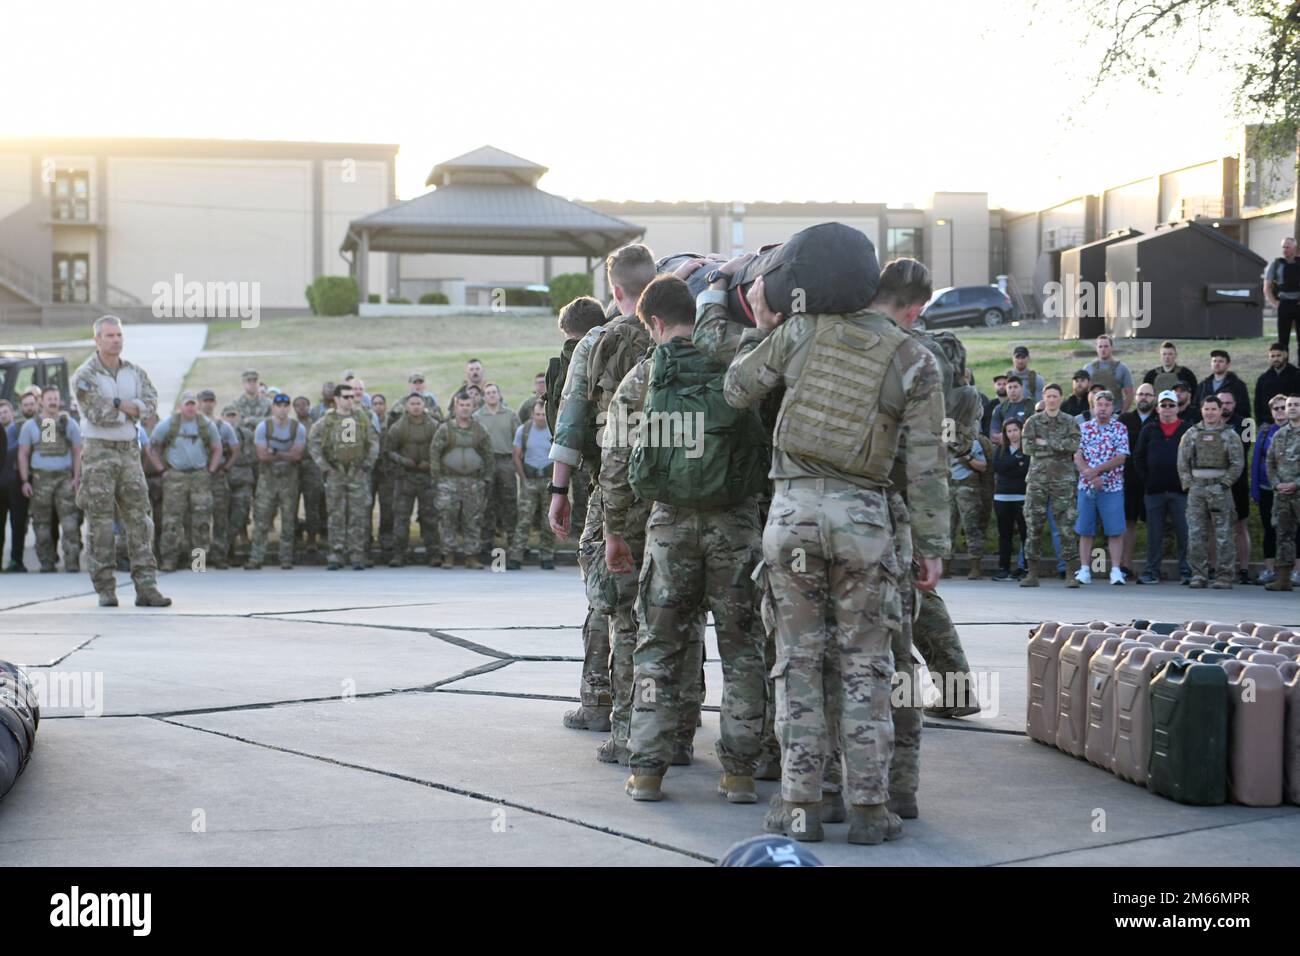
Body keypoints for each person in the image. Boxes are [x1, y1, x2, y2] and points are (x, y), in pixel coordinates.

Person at [723, 261, 948, 846]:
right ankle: (871, 810)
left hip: (793, 516)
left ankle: (802, 806)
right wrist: (932, 545)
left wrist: (767, 321)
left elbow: (736, 388)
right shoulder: (917, 359)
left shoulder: (804, 330)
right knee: (867, 665)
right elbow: (927, 464)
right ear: (914, 308)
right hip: (865, 522)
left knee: (798, 661)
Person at [603, 275, 767, 805]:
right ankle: (741, 773)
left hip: (669, 528)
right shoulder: (736, 366)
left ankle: (647, 770)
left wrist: (614, 534)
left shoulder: (642, 378)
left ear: (653, 322)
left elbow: (615, 466)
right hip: (737, 528)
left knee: (657, 648)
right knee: (743, 648)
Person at [550, 245, 662, 765]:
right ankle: (676, 727)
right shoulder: (691, 332)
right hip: (677, 492)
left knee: (610, 601)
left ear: (614, 291)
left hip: (612, 489)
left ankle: (606, 710)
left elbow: (571, 424)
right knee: (669, 608)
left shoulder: (596, 340)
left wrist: (558, 492)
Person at [546, 294, 617, 734]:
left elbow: (566, 425)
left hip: (601, 484)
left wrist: (559, 489)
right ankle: (681, 707)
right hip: (654, 486)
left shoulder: (578, 358)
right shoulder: (643, 343)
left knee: (602, 595)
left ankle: (596, 700)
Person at [72, 316, 170, 607]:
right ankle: (105, 588)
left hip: (129, 451)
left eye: (119, 334)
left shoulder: (134, 373)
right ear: (97, 340)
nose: (116, 340)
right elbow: (96, 414)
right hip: (99, 452)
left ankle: (147, 587)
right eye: (109, 335)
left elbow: (151, 405)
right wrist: (131, 409)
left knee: (140, 519)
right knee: (100, 523)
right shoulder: (85, 375)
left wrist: (119, 404)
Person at [308, 383, 379, 571]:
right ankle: (336, 553)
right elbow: (313, 443)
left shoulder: (362, 418)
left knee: (358, 514)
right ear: (337, 399)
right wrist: (325, 467)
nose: (350, 400)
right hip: (336, 472)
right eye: (346, 397)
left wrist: (366, 465)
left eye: (352, 396)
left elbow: (373, 442)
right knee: (336, 514)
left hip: (357, 472)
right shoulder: (327, 421)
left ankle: (357, 554)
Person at [149, 391, 222, 572]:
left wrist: (211, 470)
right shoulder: (168, 424)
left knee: (201, 521)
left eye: (193, 404)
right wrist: (162, 470)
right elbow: (152, 447)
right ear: (180, 406)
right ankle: (169, 560)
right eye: (187, 404)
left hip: (200, 477)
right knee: (172, 521)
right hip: (175, 477)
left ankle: (198, 562)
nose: (190, 408)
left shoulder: (206, 425)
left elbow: (217, 448)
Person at [1179, 395, 1245, 588]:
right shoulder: (1191, 434)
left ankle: (1225, 576)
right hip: (1197, 489)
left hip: (1220, 489)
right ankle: (1198, 575)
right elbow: (1182, 462)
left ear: (1220, 410)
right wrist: (1189, 485)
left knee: (1225, 534)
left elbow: (1237, 462)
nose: (1209, 413)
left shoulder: (1230, 435)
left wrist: (1225, 483)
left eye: (1213, 409)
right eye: (1206, 409)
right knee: (1196, 533)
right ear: (1201, 410)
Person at [1020, 384, 1081, 587]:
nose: (1052, 399)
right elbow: (1028, 447)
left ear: (1061, 398)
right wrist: (1058, 445)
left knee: (1067, 527)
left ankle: (1071, 573)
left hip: (1063, 482)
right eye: (1048, 396)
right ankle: (1032, 574)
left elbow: (1074, 445)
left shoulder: (1070, 421)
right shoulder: (1033, 421)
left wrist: (1047, 443)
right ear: (1043, 398)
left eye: (1055, 396)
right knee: (1033, 526)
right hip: (1037, 481)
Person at [16, 386, 82, 572]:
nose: (53, 402)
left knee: (70, 523)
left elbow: (78, 451)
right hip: (40, 480)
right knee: (41, 523)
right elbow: (23, 454)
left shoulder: (68, 424)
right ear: (41, 402)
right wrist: (25, 480)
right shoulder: (31, 426)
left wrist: (77, 478)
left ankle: (72, 562)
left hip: (64, 479)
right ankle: (46, 561)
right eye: (49, 399)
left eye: (55, 398)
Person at [1133, 390, 1192, 585]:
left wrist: (1188, 481)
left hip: (1181, 491)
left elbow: (1195, 457)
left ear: (1178, 407)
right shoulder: (1149, 429)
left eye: (1171, 405)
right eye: (1163, 405)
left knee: (1184, 533)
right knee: (1154, 534)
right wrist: (1147, 480)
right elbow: (1138, 457)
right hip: (1154, 492)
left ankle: (1187, 571)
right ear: (1157, 408)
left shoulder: (1188, 430)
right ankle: (1152, 572)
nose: (1167, 409)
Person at [431, 392, 493, 569]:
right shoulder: (445, 429)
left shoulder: (480, 430)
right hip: (448, 482)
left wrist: (486, 478)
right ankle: (448, 555)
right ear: (455, 407)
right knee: (447, 518)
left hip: (474, 483)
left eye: (468, 405)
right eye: (461, 405)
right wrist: (437, 479)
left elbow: (488, 455)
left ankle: (472, 556)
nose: (465, 408)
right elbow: (434, 453)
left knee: (473, 520)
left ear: (472, 407)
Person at [1072, 390, 1129, 586]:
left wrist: (1095, 471)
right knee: (1085, 530)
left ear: (1112, 407)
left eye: (1106, 405)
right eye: (1099, 404)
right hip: (1086, 487)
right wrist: (1089, 473)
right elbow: (1077, 456)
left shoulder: (1120, 428)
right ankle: (1085, 570)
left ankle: (1115, 570)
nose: (1103, 408)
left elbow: (1121, 457)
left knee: (1115, 530)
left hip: (1112, 487)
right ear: (1093, 407)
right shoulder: (1084, 428)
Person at [246, 393, 306, 570]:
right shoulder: (263, 427)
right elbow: (262, 455)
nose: (282, 409)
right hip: (267, 480)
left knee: (288, 520)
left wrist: (276, 452)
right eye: (278, 405)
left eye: (285, 405)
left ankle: (286, 558)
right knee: (262, 519)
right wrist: (283, 454)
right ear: (273, 408)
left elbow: (297, 455)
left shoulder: (297, 428)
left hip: (289, 480)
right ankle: (256, 557)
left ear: (289, 408)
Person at [386, 392, 440, 567]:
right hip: (405, 478)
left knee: (430, 517)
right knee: (401, 517)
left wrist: (430, 464)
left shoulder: (434, 426)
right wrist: (404, 461)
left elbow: (441, 450)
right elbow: (389, 451)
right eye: (412, 403)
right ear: (406, 406)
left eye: (419, 403)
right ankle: (399, 554)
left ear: (424, 405)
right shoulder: (398, 427)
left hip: (427, 477)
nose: (416, 406)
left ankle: (434, 553)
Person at [474, 383, 520, 562]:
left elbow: (518, 440)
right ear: (484, 397)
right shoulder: (477, 417)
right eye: (488, 393)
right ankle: (486, 541)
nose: (491, 395)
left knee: (509, 501)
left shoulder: (510, 415)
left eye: (494, 392)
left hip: (506, 461)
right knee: (487, 502)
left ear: (499, 395)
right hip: (486, 462)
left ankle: (513, 539)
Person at [508, 399, 555, 570]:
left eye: (543, 414)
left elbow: (560, 455)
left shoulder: (553, 429)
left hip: (549, 481)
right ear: (532, 414)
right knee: (524, 520)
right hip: (530, 481)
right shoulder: (524, 430)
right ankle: (516, 556)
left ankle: (547, 555)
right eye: (537, 414)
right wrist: (523, 479)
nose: (541, 418)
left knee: (548, 520)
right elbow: (516, 455)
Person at [1252, 394, 1294, 585]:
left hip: (1295, 490)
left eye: (1283, 407)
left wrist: (1294, 484)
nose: (1280, 411)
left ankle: (1295, 572)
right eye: (1276, 408)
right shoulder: (1267, 433)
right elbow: (1261, 462)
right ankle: (1275, 573)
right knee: (1274, 531)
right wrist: (1268, 486)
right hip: (1272, 489)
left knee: (1295, 532)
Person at [197, 389, 240, 569]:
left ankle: (220, 557)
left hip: (217, 478)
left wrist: (226, 467)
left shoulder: (224, 427)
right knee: (198, 521)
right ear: (199, 403)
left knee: (220, 519)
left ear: (215, 404)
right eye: (204, 400)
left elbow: (235, 449)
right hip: (197, 478)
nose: (208, 403)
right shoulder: (191, 425)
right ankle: (198, 561)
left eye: (211, 401)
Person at [1117, 383, 1156, 579]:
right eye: (1141, 394)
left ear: (1154, 398)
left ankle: (1152, 567)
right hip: (1129, 481)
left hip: (1154, 481)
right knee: (1128, 523)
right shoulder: (1124, 419)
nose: (1144, 398)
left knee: (1154, 526)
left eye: (1148, 395)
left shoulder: (1160, 419)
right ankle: (1125, 566)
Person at [1264, 394, 1300, 590]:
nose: (1292, 408)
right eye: (1289, 405)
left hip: (1298, 491)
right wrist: (1276, 484)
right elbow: (1269, 463)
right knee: (1283, 536)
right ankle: (1284, 579)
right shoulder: (1279, 434)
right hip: (1283, 495)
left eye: (1296, 405)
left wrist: (1296, 483)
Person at [948, 416, 987, 579]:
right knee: (946, 529)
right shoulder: (944, 444)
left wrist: (967, 457)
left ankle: (975, 566)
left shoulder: (973, 444)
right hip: (949, 487)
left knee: (971, 528)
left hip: (967, 488)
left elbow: (983, 466)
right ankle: (944, 565)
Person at [991, 418, 1029, 581]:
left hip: (1021, 496)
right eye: (1009, 431)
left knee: (1025, 533)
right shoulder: (1000, 450)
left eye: (1015, 430)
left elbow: (1025, 470)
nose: (1013, 434)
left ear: (1021, 431)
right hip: (1002, 496)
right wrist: (1015, 463)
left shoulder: (1027, 449)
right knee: (1004, 534)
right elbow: (998, 467)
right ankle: (1003, 567)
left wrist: (1010, 466)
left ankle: (1025, 568)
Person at [222, 404, 255, 562]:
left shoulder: (247, 434)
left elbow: (252, 459)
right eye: (228, 415)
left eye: (234, 415)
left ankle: (227, 547)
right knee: (221, 518)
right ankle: (222, 554)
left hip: (242, 479)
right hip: (222, 481)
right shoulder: (217, 432)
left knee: (240, 515)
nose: (231, 419)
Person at [1264, 237, 1299, 353]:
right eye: (1283, 247)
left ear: (1294, 248)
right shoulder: (1276, 264)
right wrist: (1275, 304)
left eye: (1288, 247)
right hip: (1283, 304)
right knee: (1282, 340)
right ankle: (1284, 367)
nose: (1285, 249)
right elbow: (1267, 287)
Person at [1192, 349, 1249, 421]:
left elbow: (1244, 410)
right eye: (1214, 361)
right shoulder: (1203, 385)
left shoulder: (1238, 385)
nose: (1217, 364)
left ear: (1228, 364)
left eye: (1221, 361)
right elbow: (1195, 407)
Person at [1084, 335, 1135, 412]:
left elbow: (1129, 394)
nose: (1103, 349)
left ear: (1112, 348)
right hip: (1094, 414)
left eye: (1106, 346)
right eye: (1100, 346)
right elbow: (1082, 393)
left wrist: (1122, 413)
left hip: (1115, 412)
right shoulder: (1088, 368)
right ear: (1096, 349)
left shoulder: (1122, 368)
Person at [1254, 342, 1300, 426]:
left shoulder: (1297, 375)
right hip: (1268, 423)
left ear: (1285, 355)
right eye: (1272, 356)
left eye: (1278, 356)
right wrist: (1260, 422)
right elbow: (1258, 404)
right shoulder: (1263, 379)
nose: (1275, 359)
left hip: (1293, 422)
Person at [989, 375, 1033, 444]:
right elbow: (993, 433)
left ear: (1022, 388)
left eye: (1015, 387)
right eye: (1009, 387)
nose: (1012, 390)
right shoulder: (999, 408)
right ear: (1006, 389)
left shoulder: (1031, 406)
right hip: (1005, 446)